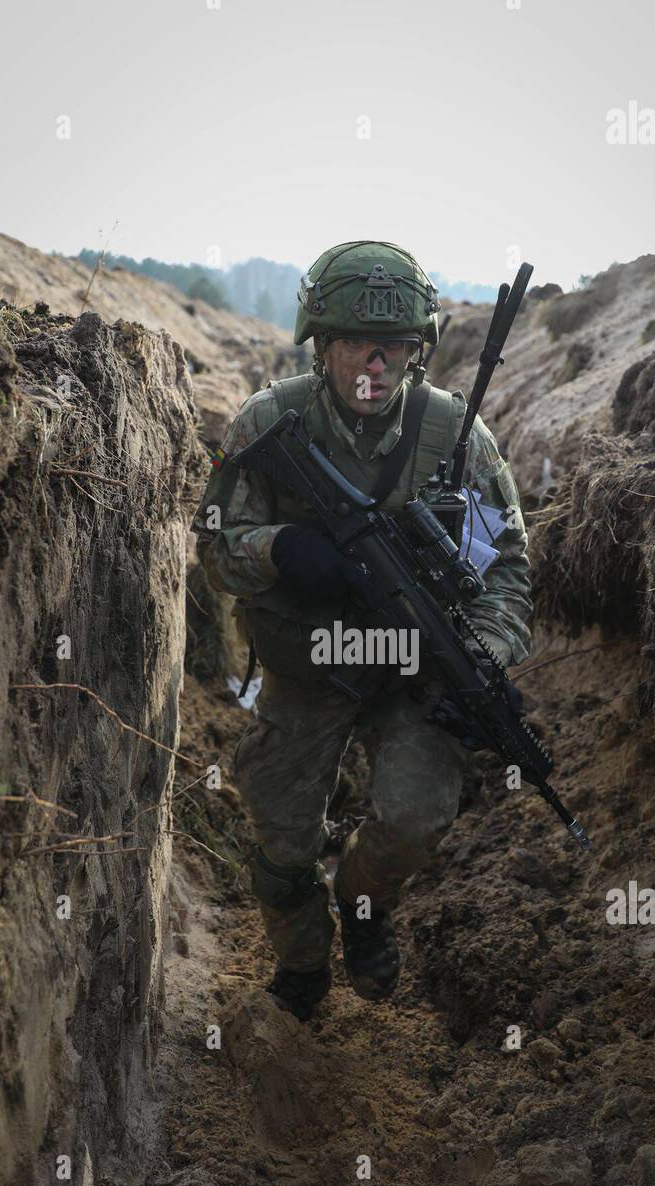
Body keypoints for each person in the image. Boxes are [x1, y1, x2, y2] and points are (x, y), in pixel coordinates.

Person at [191, 240, 532, 1020]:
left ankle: (364, 909)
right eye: (351, 344)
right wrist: (279, 549)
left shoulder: (457, 438)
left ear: (419, 351)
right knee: (280, 846)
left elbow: (509, 567)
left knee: (415, 820)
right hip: (308, 663)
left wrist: (485, 653)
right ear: (320, 344)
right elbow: (212, 545)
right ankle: (303, 965)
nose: (371, 364)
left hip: (414, 669)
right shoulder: (268, 422)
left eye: (394, 347)